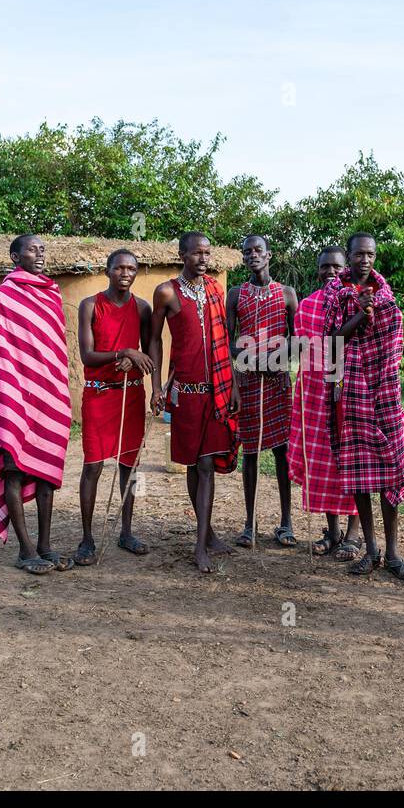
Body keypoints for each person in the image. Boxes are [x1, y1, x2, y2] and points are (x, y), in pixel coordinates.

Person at [0, 233, 72, 574]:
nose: (40, 254)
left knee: (46, 474)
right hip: (11, 396)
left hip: (46, 396)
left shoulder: (51, 295)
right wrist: (5, 397)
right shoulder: (1, 297)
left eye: (43, 249)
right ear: (15, 256)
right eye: (32, 249)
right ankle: (25, 549)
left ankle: (45, 544)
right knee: (13, 471)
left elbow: (53, 350)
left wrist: (54, 390)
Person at [323, 232, 404, 580]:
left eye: (371, 255)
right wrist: (361, 316)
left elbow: (394, 335)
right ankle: (372, 549)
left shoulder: (386, 292)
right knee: (360, 470)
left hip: (384, 389)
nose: (365, 260)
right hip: (350, 387)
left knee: (392, 466)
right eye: (359, 254)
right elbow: (331, 340)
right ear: (348, 256)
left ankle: (393, 552)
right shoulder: (336, 293)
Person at [149, 232, 240, 574]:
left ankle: (203, 541)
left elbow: (226, 341)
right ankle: (205, 538)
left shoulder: (216, 290)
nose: (203, 258)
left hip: (217, 387)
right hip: (186, 391)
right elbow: (155, 339)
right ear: (182, 255)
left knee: (205, 464)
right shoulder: (167, 292)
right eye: (196, 253)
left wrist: (233, 386)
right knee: (193, 463)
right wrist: (157, 385)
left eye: (207, 253)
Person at [73, 249, 154, 564]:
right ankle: (87, 538)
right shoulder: (91, 306)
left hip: (130, 395)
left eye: (131, 268)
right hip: (98, 394)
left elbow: (148, 354)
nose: (125, 273)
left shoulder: (143, 308)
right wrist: (123, 352)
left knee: (129, 466)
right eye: (119, 267)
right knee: (93, 465)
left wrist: (135, 362)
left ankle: (126, 532)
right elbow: (87, 355)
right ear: (107, 271)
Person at [287, 246, 363, 561]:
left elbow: (359, 349)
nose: (330, 272)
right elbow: (304, 352)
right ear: (317, 271)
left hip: (351, 392)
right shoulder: (306, 306)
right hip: (315, 393)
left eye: (336, 267)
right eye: (325, 267)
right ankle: (332, 532)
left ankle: (354, 535)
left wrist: (341, 383)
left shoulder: (359, 303)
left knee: (353, 461)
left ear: (345, 269)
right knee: (323, 463)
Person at [226, 235, 298, 548]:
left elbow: (297, 340)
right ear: (243, 259)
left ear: (269, 255)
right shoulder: (235, 294)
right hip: (248, 381)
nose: (253, 255)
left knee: (282, 451)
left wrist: (276, 361)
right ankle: (249, 523)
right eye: (247, 252)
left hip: (278, 381)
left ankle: (286, 522)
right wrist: (251, 362)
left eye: (258, 250)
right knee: (250, 453)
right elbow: (228, 339)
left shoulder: (287, 293)